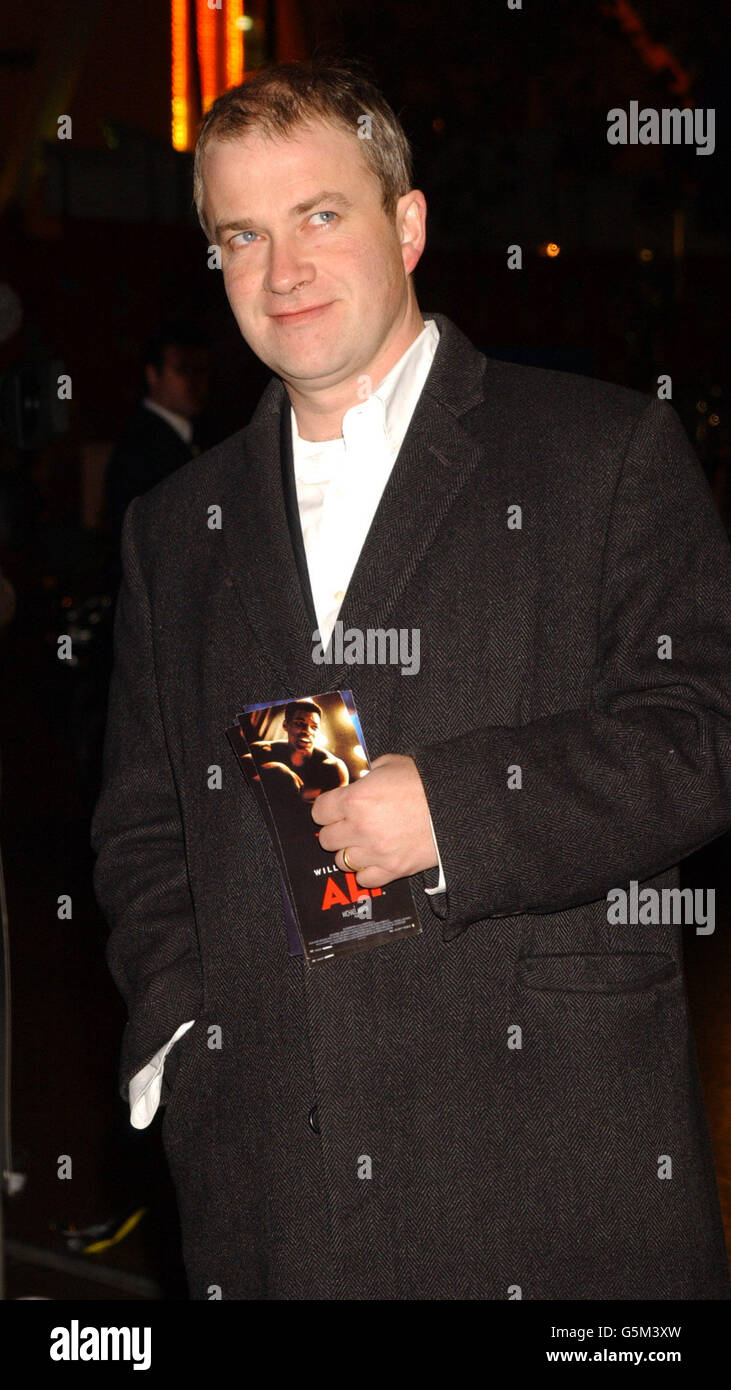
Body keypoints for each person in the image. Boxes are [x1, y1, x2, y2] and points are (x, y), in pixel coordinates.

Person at [91, 60, 731, 1300]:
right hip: (271, 1179)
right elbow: (141, 820)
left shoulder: (599, 452)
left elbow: (700, 729)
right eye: (241, 236)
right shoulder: (175, 527)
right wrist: (182, 1033)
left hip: (544, 1165)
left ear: (407, 222)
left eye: (319, 216)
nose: (281, 273)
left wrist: (461, 810)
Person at [104, 321, 210, 565]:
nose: (194, 382)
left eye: (201, 370)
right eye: (183, 370)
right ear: (153, 375)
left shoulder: (192, 435)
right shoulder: (142, 445)